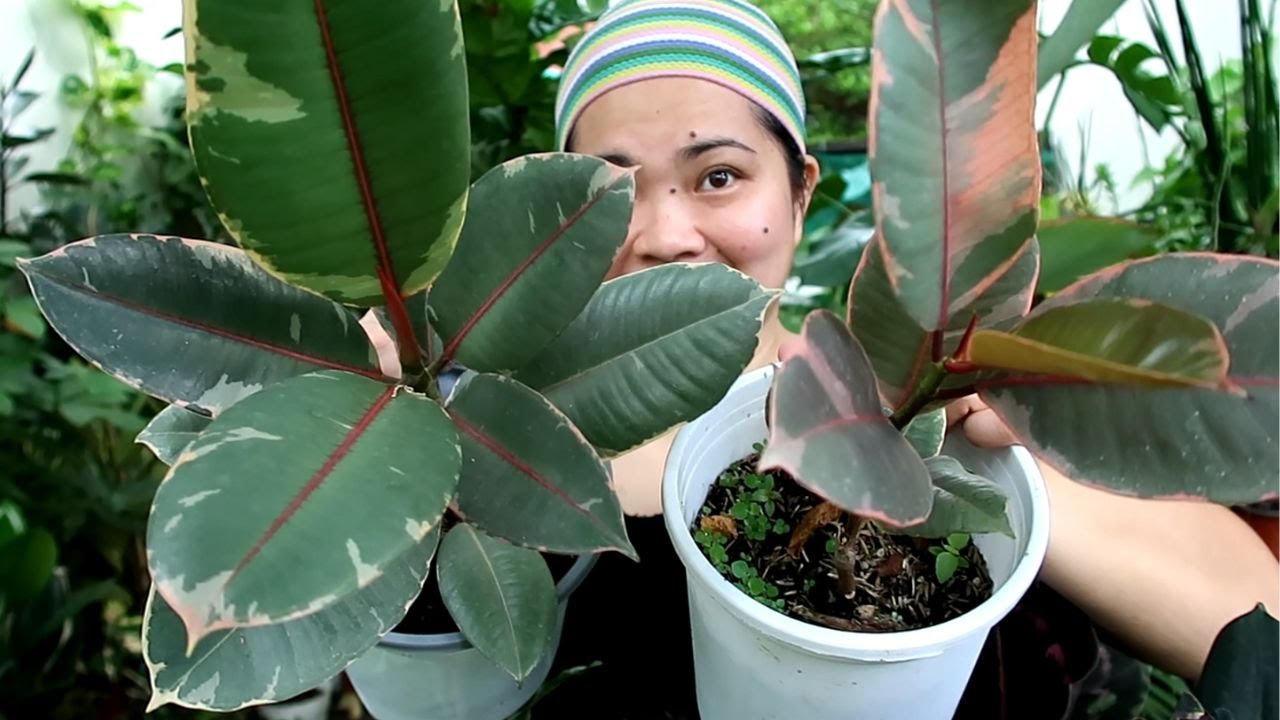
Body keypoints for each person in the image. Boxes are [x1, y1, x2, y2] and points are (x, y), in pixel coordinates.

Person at [540, 0, 1278, 712]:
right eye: (614, 190)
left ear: (800, 193)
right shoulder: (507, 435)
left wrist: (1013, 455)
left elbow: (1257, 626)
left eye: (720, 176)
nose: (666, 233)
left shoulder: (930, 395)